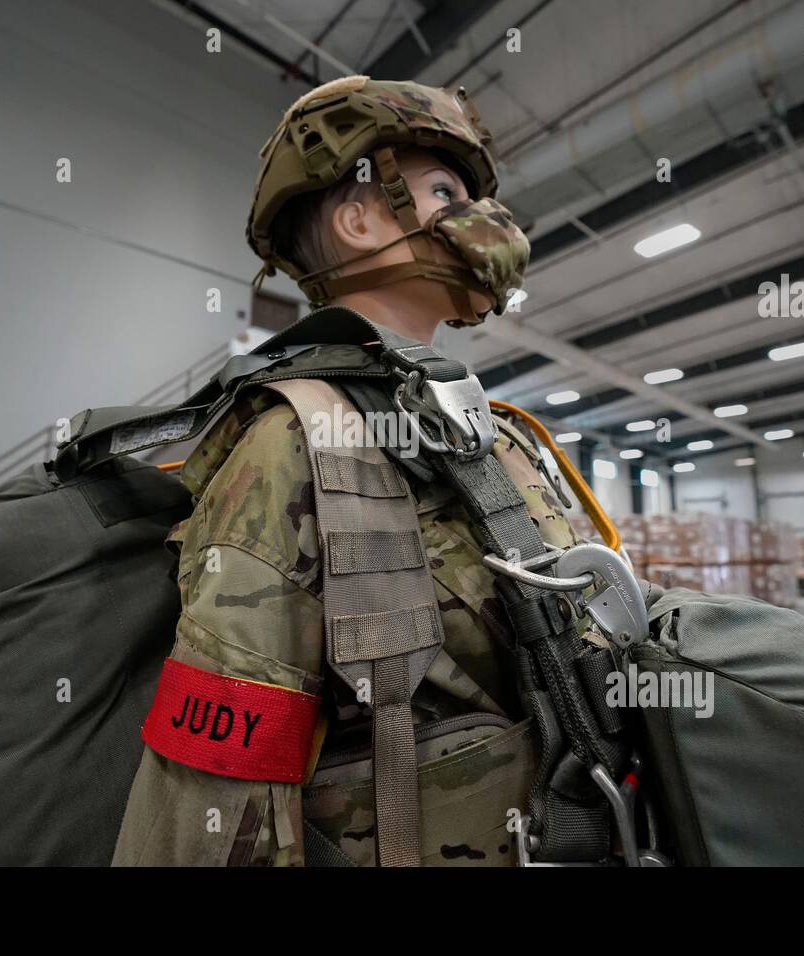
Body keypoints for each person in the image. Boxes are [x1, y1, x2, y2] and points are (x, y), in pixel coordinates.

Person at [112, 76, 594, 866]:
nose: (485, 218)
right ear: (362, 217)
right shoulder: (296, 442)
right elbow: (218, 789)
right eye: (446, 190)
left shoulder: (485, 432)